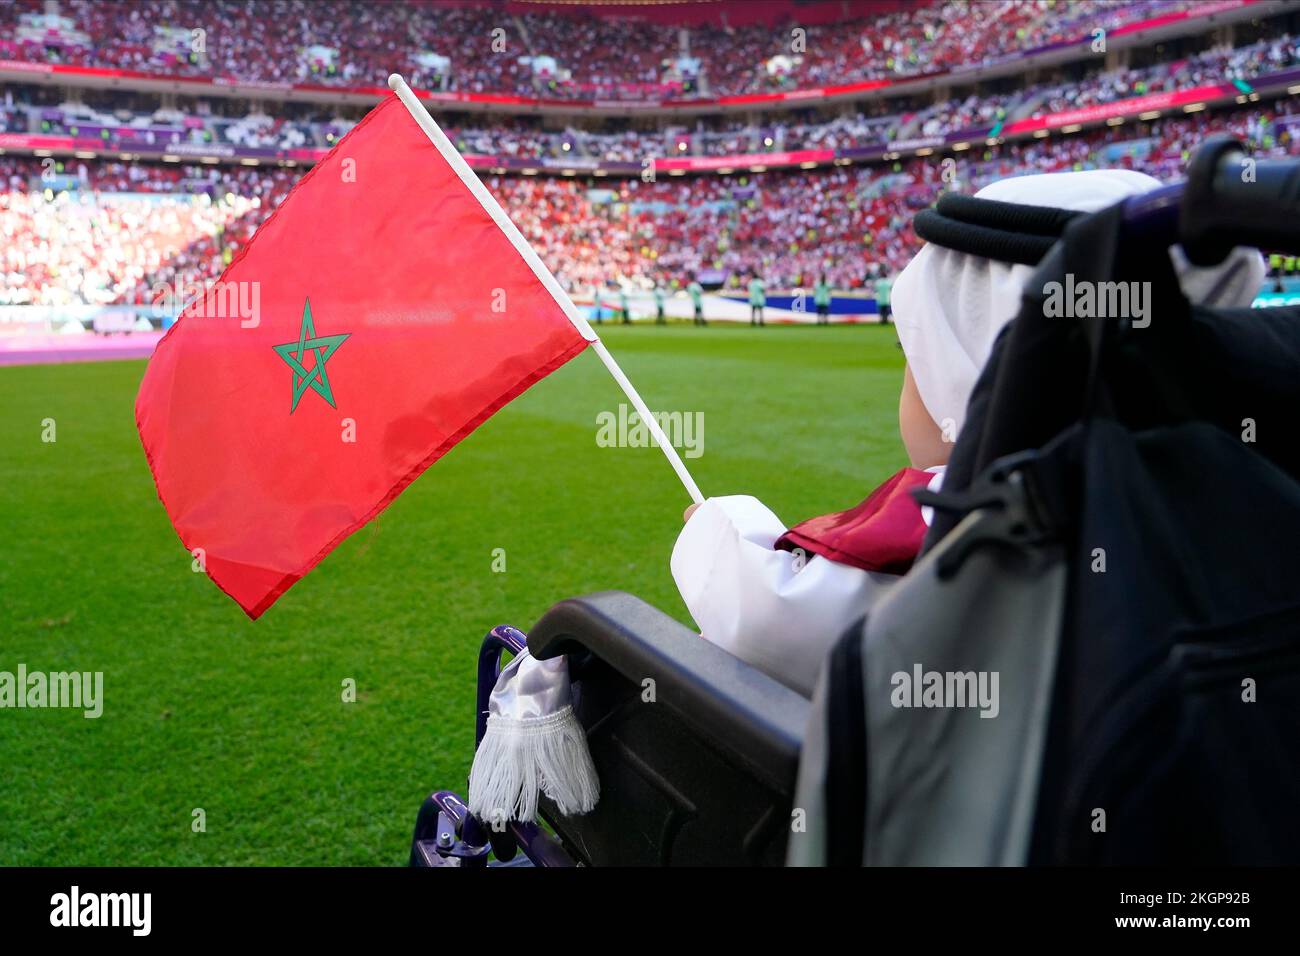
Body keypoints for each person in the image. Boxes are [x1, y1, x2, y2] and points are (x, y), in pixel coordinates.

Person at [670, 169, 1265, 698]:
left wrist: (722, 526)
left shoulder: (980, 524)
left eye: (913, 351)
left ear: (970, 367)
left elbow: (775, 617)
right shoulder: (1229, 493)